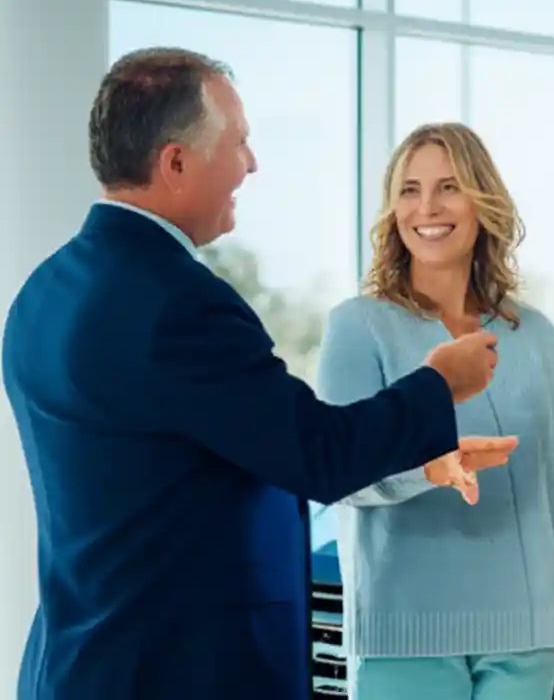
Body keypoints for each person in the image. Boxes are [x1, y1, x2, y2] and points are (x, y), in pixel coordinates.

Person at [1, 48, 516, 700]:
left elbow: (192, 459)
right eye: (239, 144)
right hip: (172, 675)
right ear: (176, 162)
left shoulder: (42, 293)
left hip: (70, 667)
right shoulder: (176, 303)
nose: (251, 164)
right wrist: (441, 383)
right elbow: (316, 452)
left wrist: (422, 459)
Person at [315, 121, 554, 700]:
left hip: (525, 635)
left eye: (448, 186)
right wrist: (431, 470)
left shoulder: (534, 335)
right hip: (405, 635)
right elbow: (337, 473)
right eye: (409, 189)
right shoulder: (359, 327)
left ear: (483, 202)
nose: (427, 206)